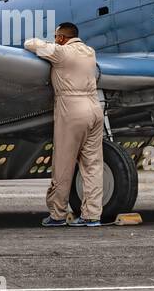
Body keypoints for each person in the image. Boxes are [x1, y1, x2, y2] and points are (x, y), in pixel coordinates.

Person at [23, 22, 104, 227]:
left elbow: (30, 44)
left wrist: (50, 43)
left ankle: (57, 214)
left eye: (56, 36)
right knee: (93, 164)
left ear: (61, 37)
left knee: (63, 164)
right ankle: (92, 215)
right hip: (95, 108)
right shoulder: (89, 52)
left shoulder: (61, 53)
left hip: (71, 109)